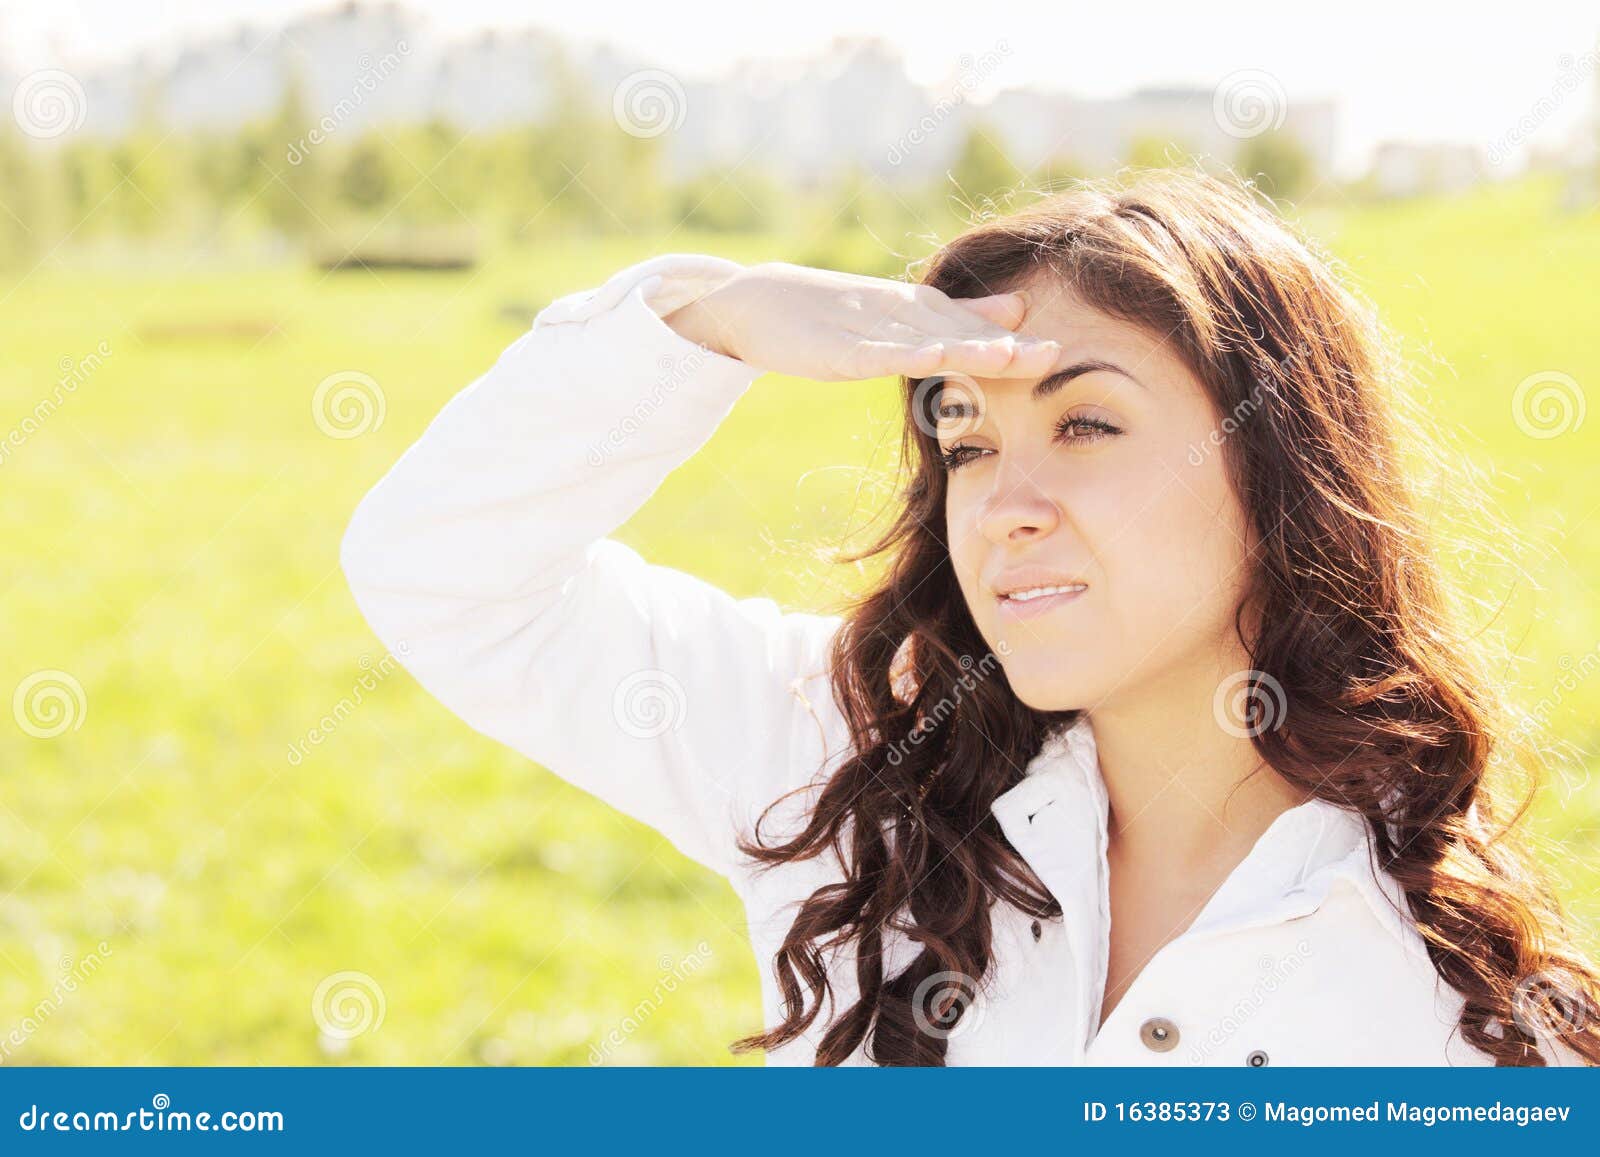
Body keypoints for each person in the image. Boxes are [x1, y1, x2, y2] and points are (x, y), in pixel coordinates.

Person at [340, 171, 1597, 1066]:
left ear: (1280, 471)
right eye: (967, 438)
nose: (1006, 504)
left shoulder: (1473, 1011)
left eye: (1085, 424)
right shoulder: (846, 767)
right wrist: (706, 321)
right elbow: (443, 571)